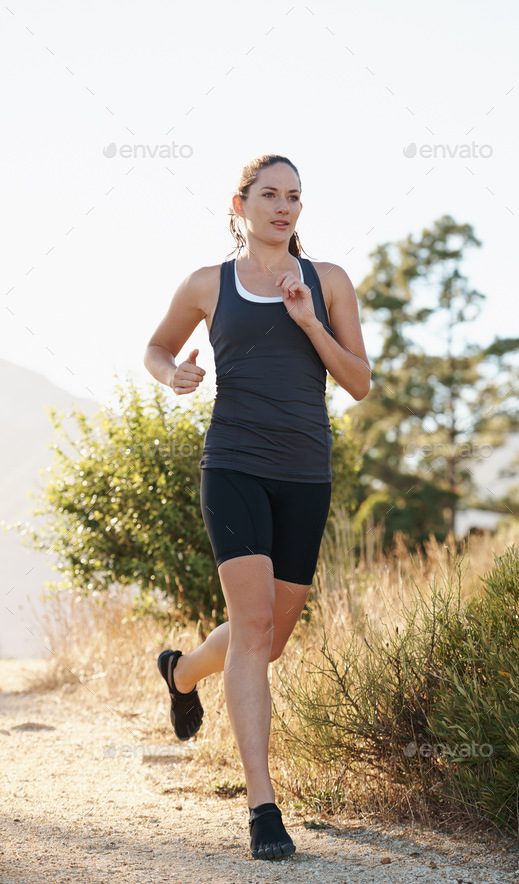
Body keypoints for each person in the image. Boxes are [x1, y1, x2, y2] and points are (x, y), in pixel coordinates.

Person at [143, 154, 370, 860]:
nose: (284, 206)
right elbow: (155, 347)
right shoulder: (207, 284)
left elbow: (359, 381)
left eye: (294, 196)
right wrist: (171, 372)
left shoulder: (327, 281)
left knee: (266, 642)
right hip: (234, 464)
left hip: (305, 473)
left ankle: (181, 673)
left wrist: (308, 322)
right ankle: (263, 809)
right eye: (270, 194)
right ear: (239, 204)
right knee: (254, 625)